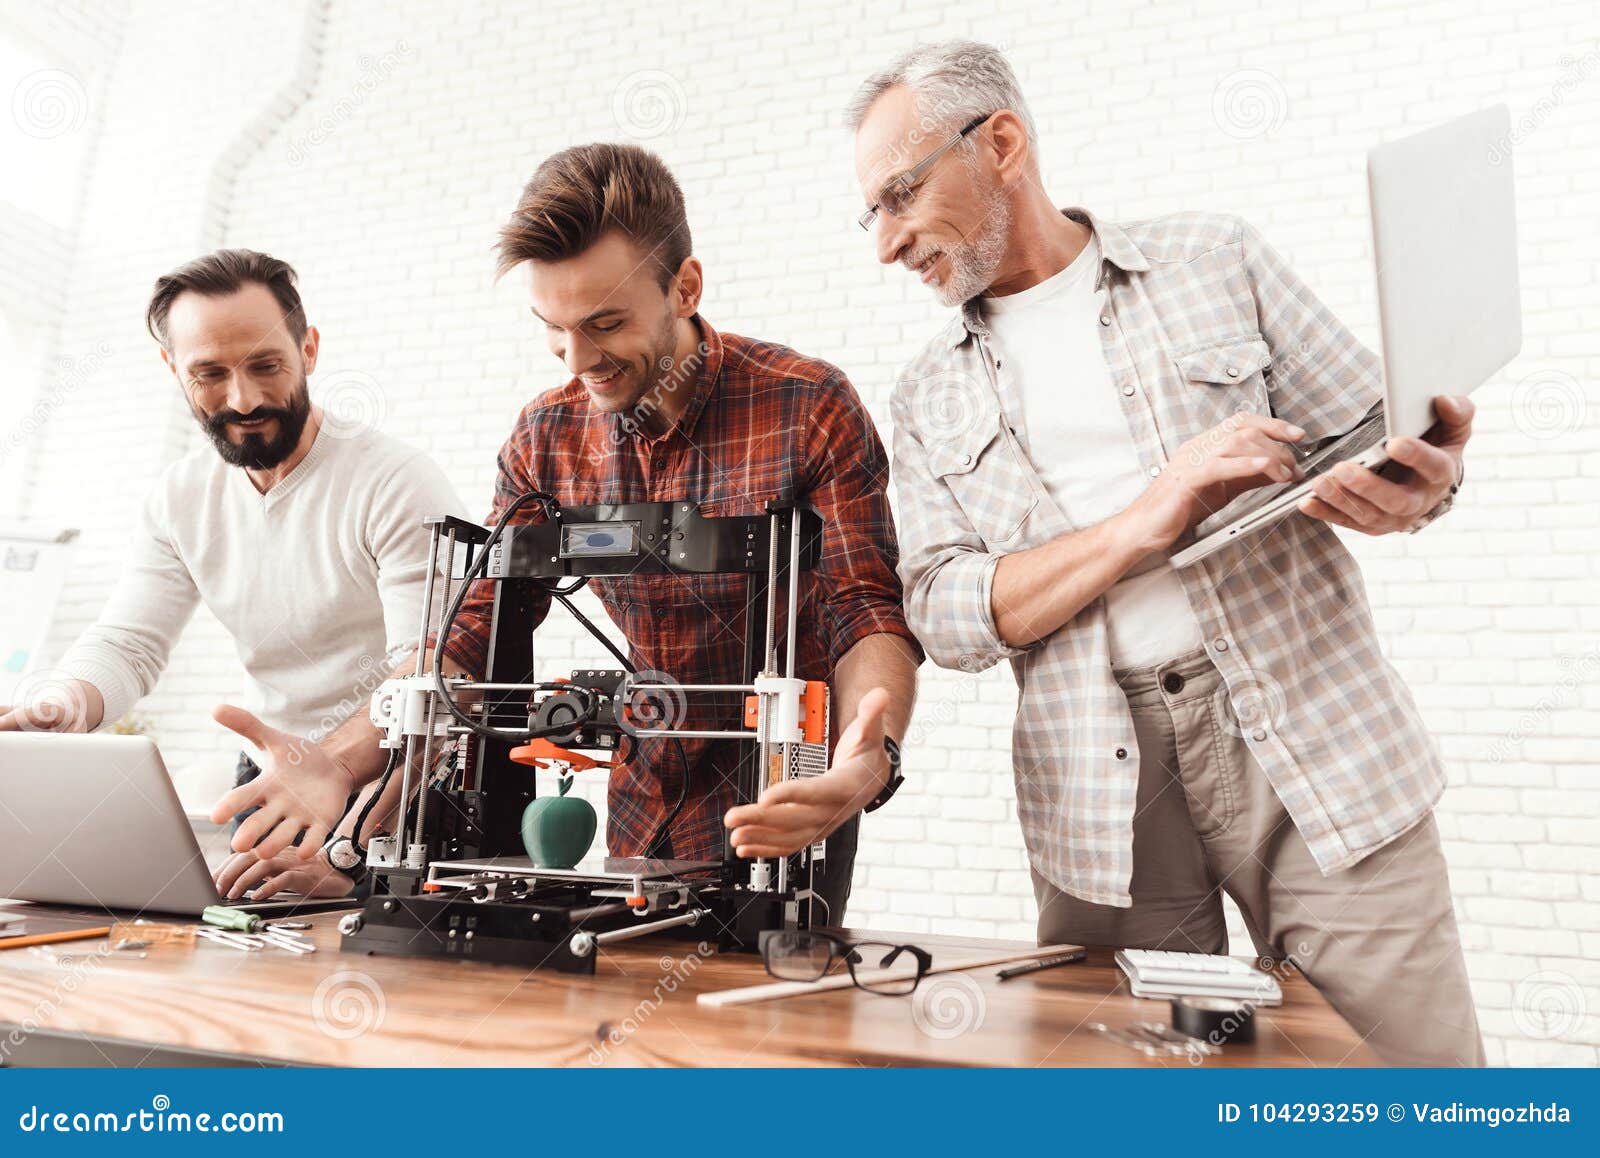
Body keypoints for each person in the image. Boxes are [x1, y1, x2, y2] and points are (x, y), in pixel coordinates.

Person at [849, 41, 1481, 1064]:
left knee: (1414, 1087)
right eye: (870, 213)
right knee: (1134, 1098)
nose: (886, 242)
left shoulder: (1214, 258)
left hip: (1319, 734)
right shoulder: (927, 391)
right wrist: (1147, 518)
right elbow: (946, 616)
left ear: (1000, 143)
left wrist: (1420, 481)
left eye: (899, 196)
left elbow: (1375, 435)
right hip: (1096, 786)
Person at [211, 145, 922, 922]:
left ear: (685, 287)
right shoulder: (544, 439)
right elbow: (469, 633)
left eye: (606, 324)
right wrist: (341, 761)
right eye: (553, 327)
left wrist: (869, 756)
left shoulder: (807, 405)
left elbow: (862, 610)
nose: (578, 359)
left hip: (787, 804)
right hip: (638, 806)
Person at [0, 249, 464, 900]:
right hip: (272, 778)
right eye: (210, 373)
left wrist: (349, 834)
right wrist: (63, 705)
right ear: (173, 369)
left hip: (402, 778)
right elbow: (129, 643)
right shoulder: (180, 498)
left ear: (309, 349)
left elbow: (436, 670)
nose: (242, 399)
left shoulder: (395, 481)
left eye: (266, 365)